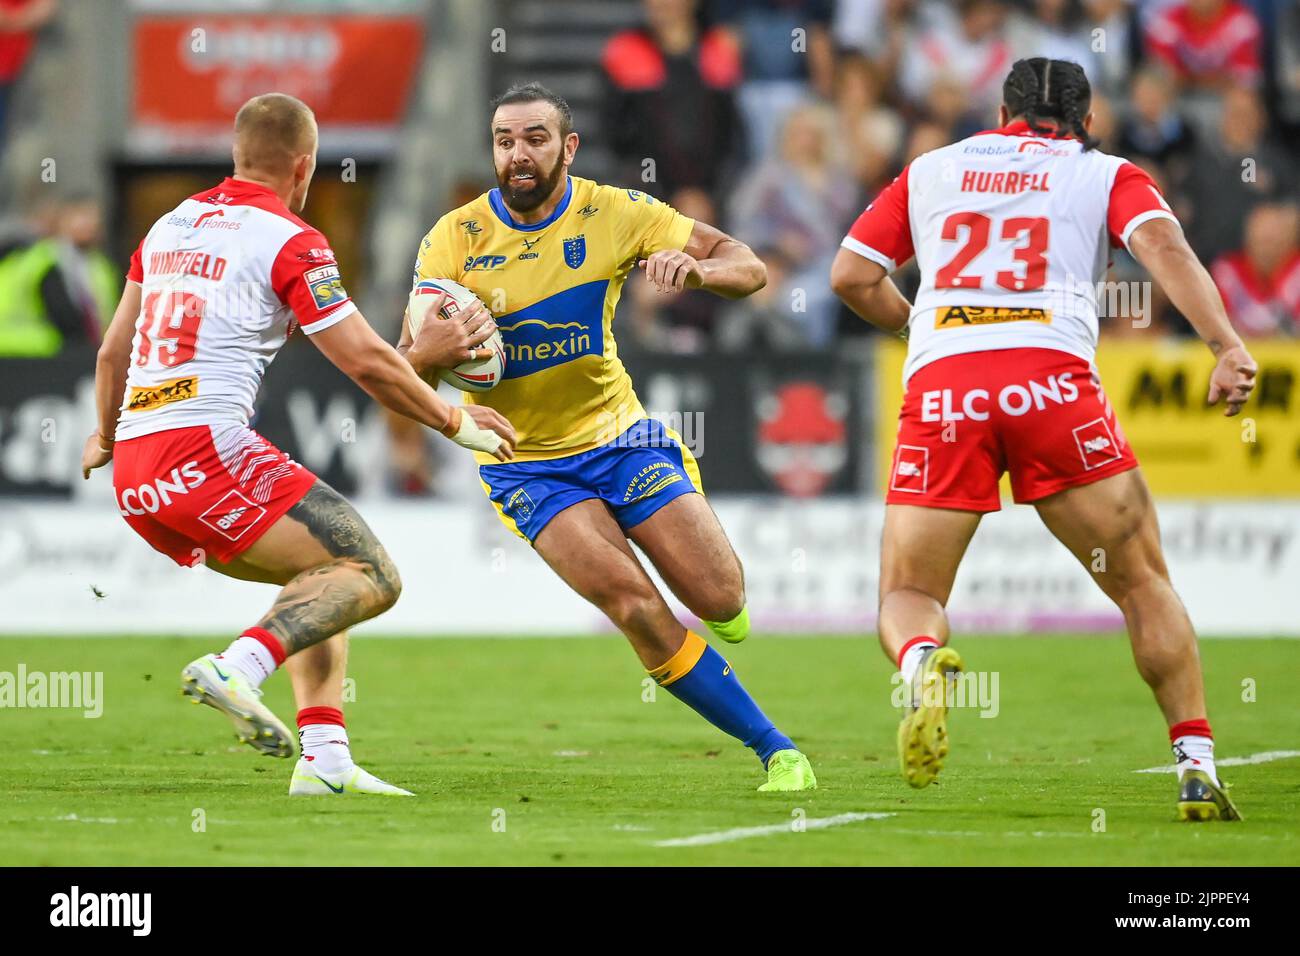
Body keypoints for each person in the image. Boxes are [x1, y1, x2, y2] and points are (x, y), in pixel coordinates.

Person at [830, 58, 1257, 821]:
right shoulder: (1106, 171)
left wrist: (920, 329)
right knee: (1140, 583)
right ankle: (1195, 763)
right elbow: (1166, 250)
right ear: (1088, 122)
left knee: (909, 592)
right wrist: (1225, 344)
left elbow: (850, 276)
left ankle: (924, 662)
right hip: (1053, 384)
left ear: (1001, 113)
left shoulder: (933, 168)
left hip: (947, 389)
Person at [82, 93, 515, 796]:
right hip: (204, 448)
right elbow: (365, 364)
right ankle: (238, 667)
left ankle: (325, 762)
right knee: (372, 574)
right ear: (304, 167)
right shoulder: (291, 238)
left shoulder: (168, 225)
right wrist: (455, 421)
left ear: (237, 154)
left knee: (320, 577)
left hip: (137, 468)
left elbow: (112, 353)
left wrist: (104, 438)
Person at [400, 82, 815, 791]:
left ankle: (722, 603)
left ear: (568, 147)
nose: (517, 154)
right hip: (527, 468)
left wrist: (700, 269)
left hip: (621, 440)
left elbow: (748, 267)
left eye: (534, 138)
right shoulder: (453, 239)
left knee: (719, 597)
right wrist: (426, 358)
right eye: (504, 141)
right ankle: (778, 750)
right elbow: (400, 375)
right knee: (631, 604)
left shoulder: (615, 211)